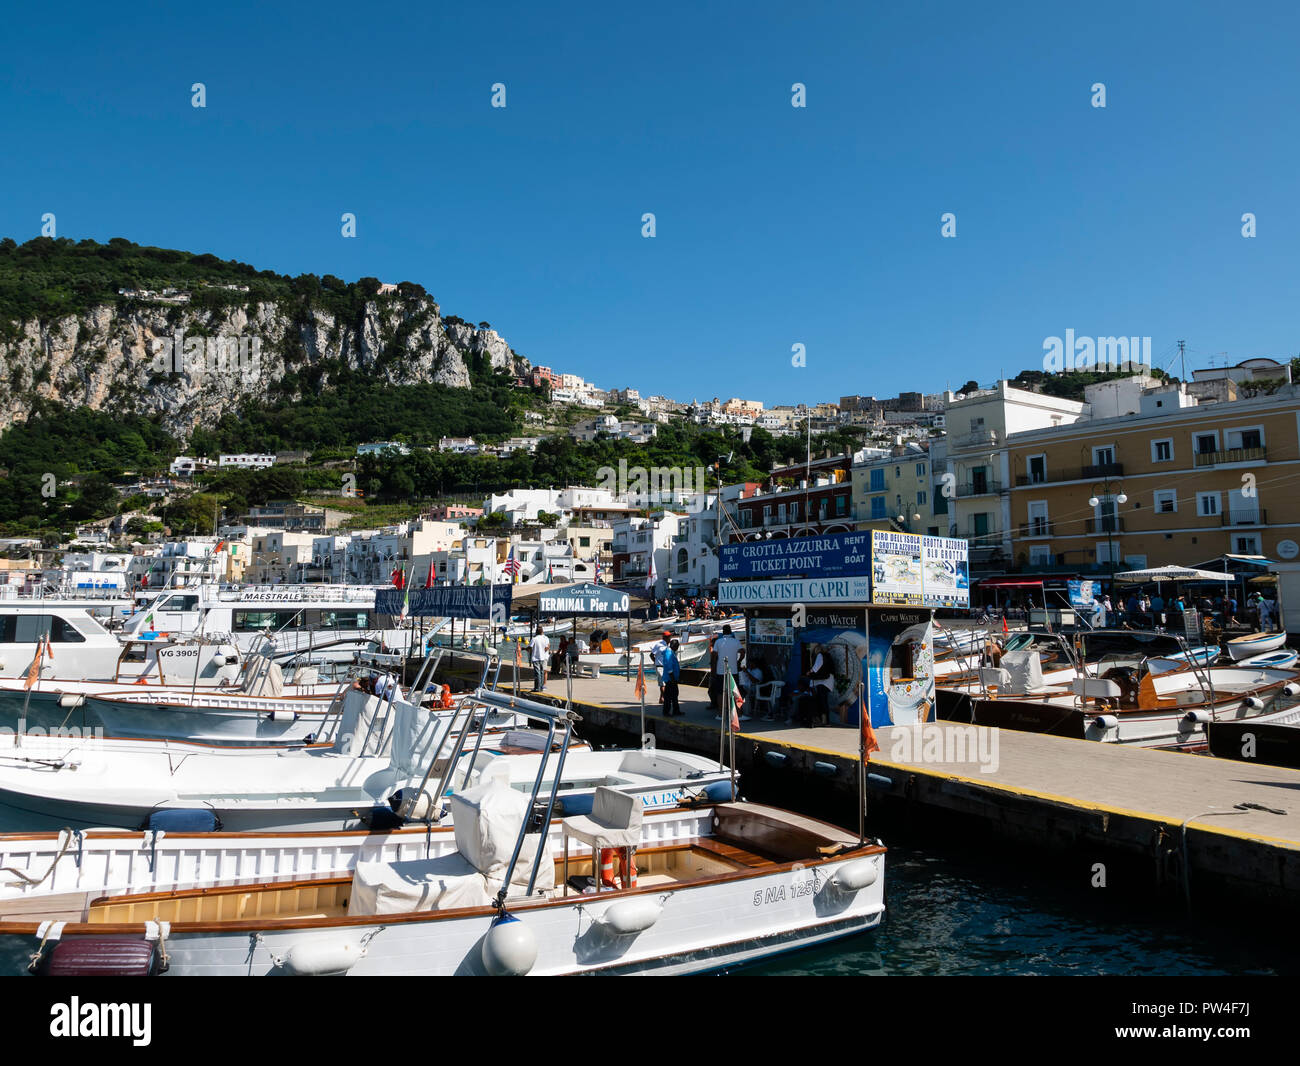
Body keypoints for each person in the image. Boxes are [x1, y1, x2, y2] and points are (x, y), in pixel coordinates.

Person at [712, 624, 747, 721]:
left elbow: (714, 656)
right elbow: (743, 652)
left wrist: (713, 670)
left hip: (720, 670)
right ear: (730, 631)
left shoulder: (718, 642)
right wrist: (738, 661)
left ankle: (720, 714)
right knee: (735, 692)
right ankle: (739, 715)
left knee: (720, 693)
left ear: (723, 632)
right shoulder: (736, 641)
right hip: (733, 670)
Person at [805, 642, 835, 726]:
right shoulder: (827, 656)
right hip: (828, 681)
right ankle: (825, 721)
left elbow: (816, 667)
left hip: (824, 681)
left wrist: (809, 672)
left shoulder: (820, 655)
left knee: (821, 701)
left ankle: (824, 721)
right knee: (823, 700)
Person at [662, 639, 682, 716]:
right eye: (677, 646)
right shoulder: (669, 653)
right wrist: (673, 679)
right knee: (668, 696)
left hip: (673, 678)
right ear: (673, 646)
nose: (677, 647)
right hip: (670, 679)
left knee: (675, 694)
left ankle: (676, 710)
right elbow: (669, 667)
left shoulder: (672, 652)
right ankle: (666, 712)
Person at [650, 630, 671, 701]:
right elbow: (651, 655)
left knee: (666, 683)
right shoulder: (658, 645)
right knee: (663, 683)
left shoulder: (669, 645)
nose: (669, 638)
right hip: (660, 666)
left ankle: (661, 698)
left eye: (669, 636)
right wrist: (656, 662)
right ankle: (666, 698)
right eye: (668, 637)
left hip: (667, 667)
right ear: (664, 637)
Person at [529, 626, 551, 692]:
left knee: (537, 673)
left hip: (536, 657)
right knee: (541, 672)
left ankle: (537, 688)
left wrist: (525, 649)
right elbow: (547, 646)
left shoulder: (534, 639)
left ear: (536, 632)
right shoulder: (545, 638)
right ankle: (541, 687)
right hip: (542, 657)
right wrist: (543, 651)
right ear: (542, 631)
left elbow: (530, 647)